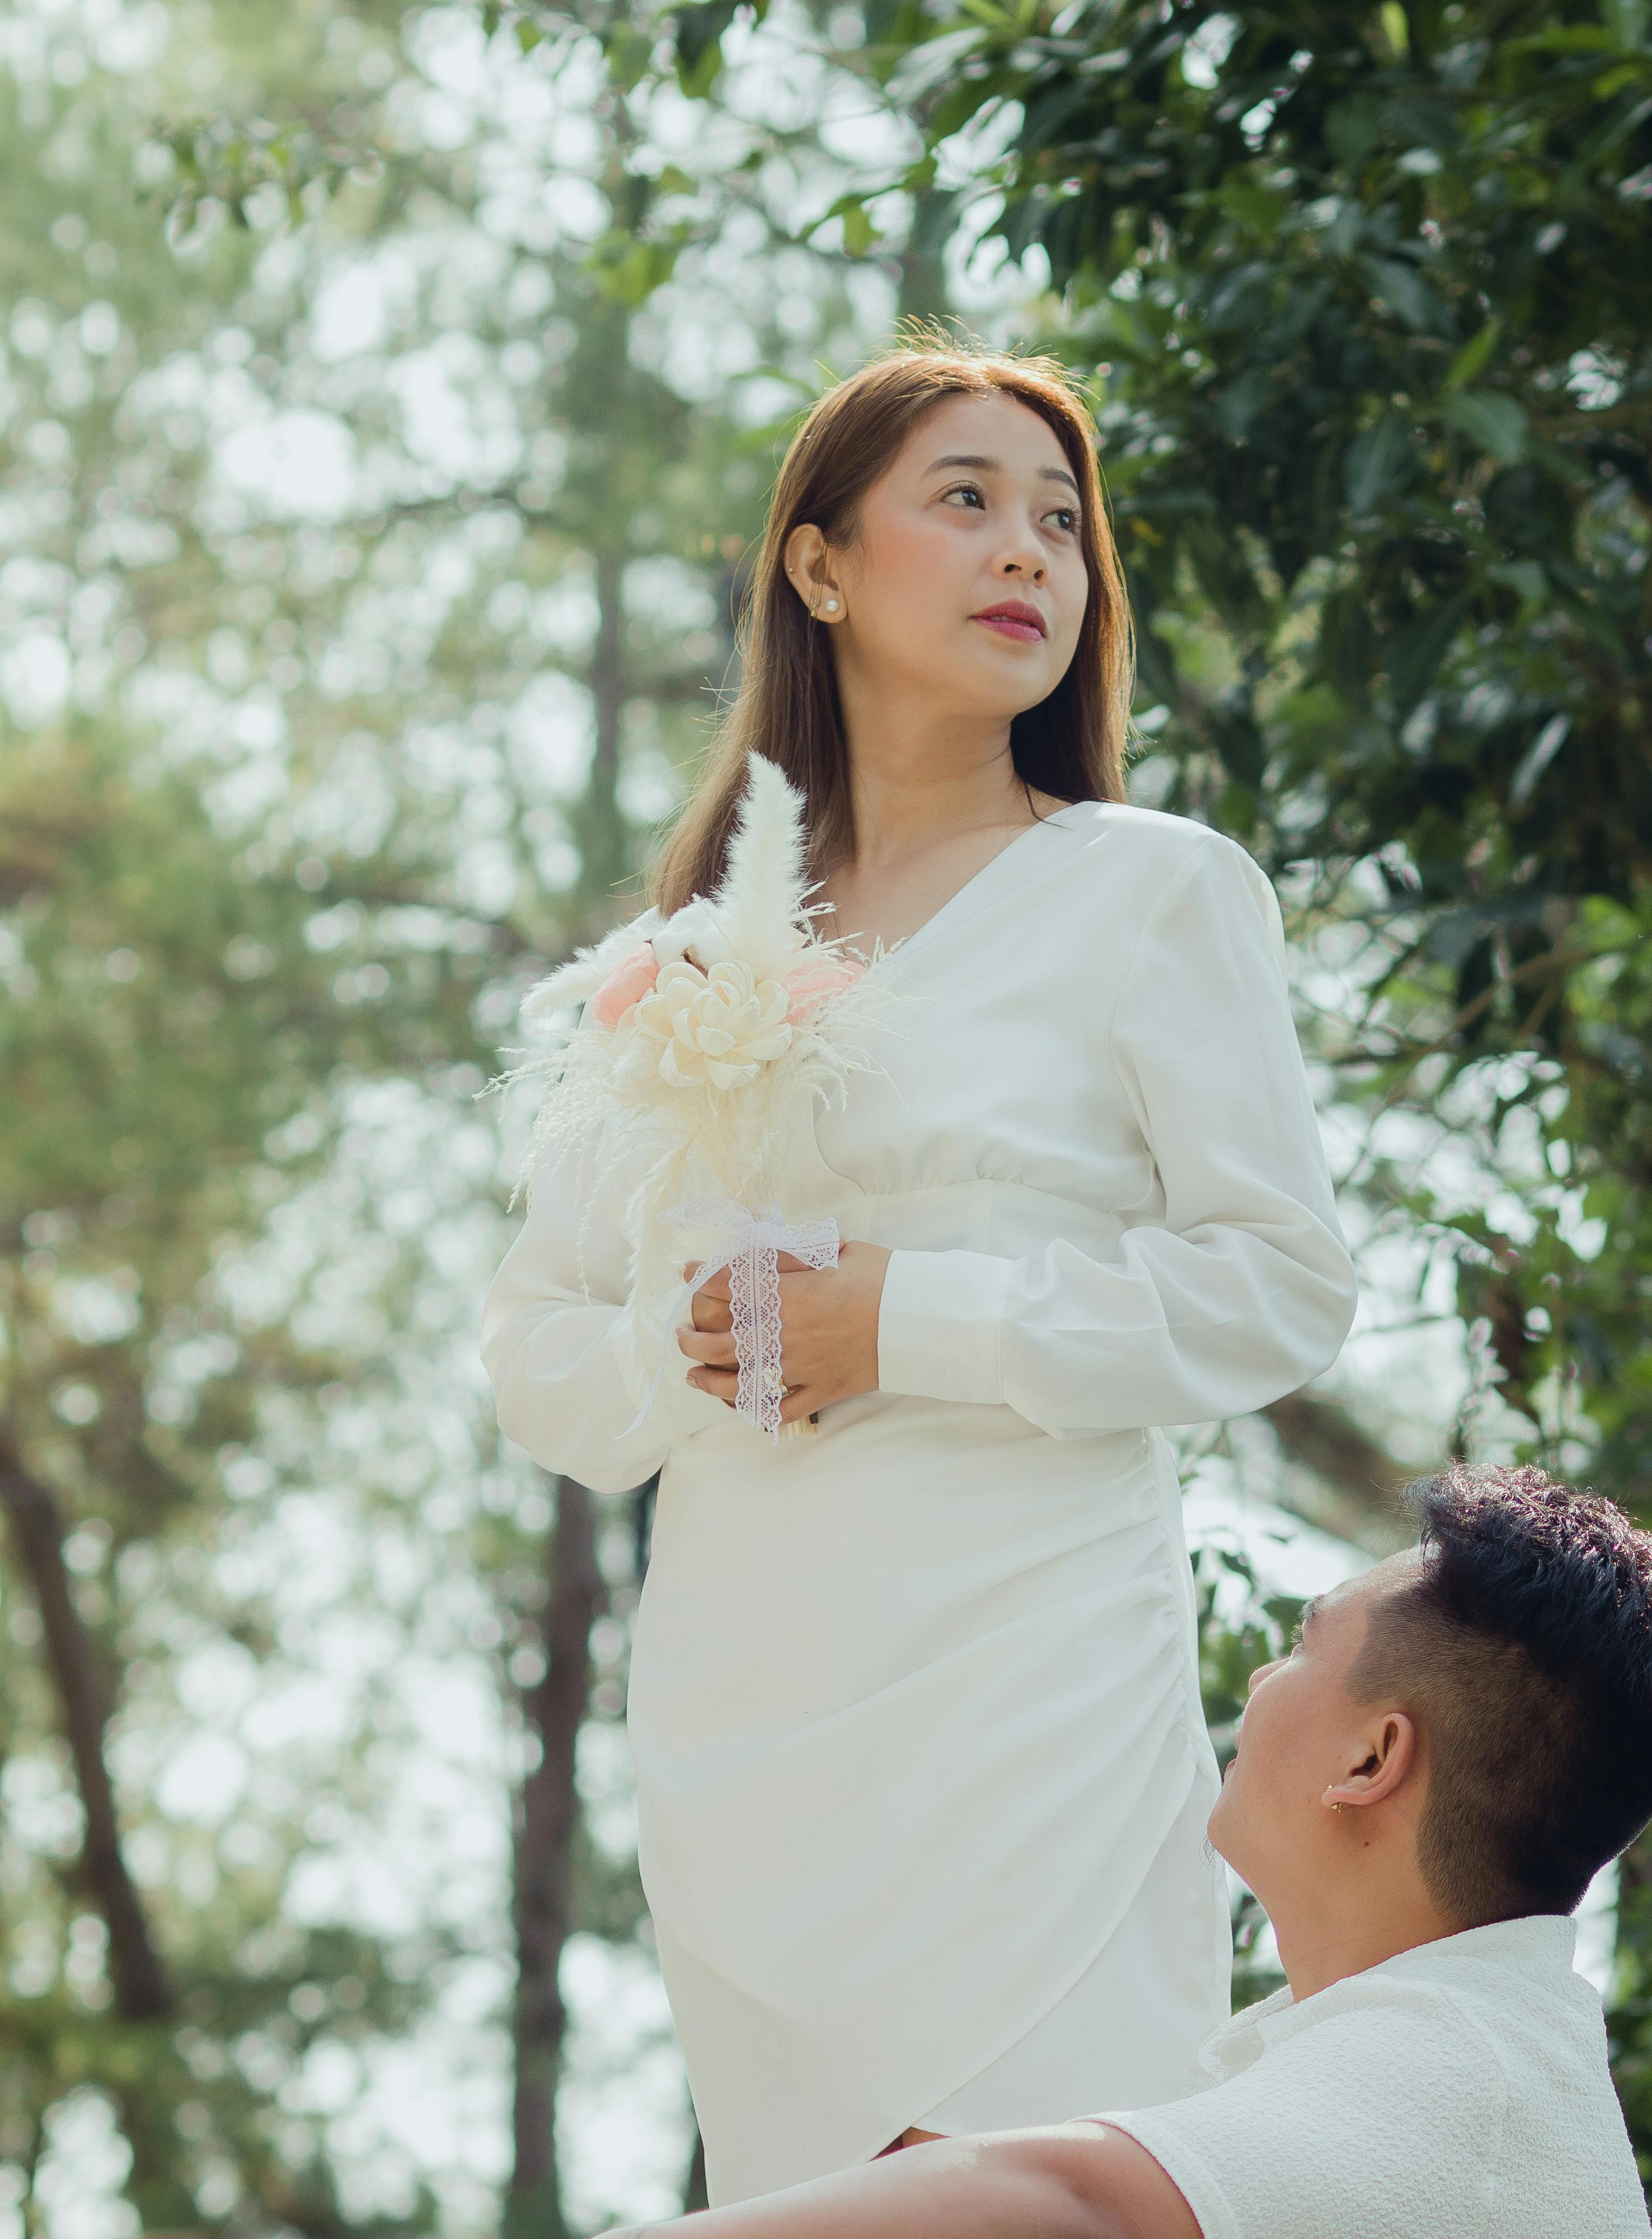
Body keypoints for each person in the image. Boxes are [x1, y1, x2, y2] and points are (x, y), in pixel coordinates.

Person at [480, 344, 1358, 2204]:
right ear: (818, 565)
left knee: (1041, 2189)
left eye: (1061, 520)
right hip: (753, 1720)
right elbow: (538, 1350)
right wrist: (687, 1347)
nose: (1027, 551)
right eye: (964, 499)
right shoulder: (684, 955)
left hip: (1035, 1686)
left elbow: (1281, 1289)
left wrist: (913, 1321)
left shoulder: (1154, 890)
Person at [591, 1461, 1652, 2239]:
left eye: (1303, 1644)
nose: (1256, 1678)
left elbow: (1067, 2195)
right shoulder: (1453, 2048)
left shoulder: (1463, 2072)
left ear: (1371, 1757)